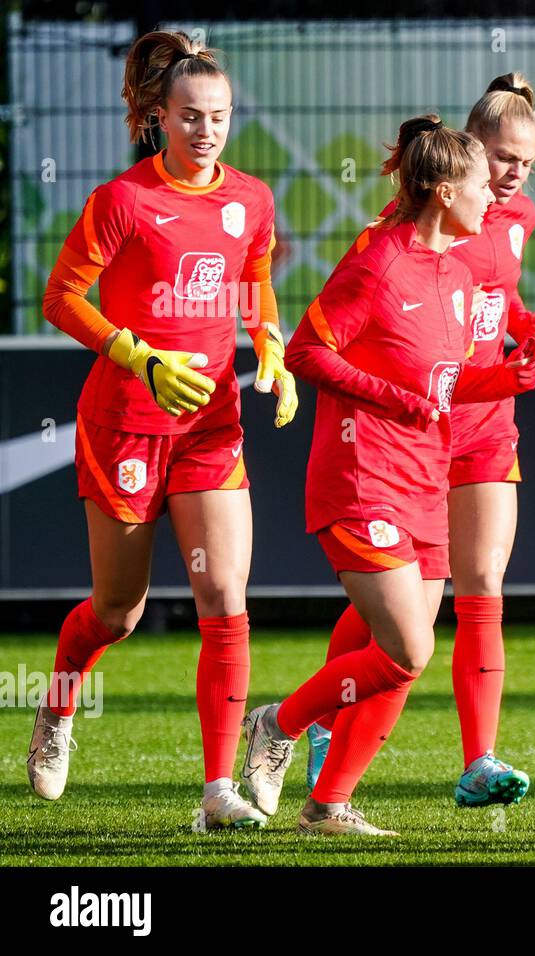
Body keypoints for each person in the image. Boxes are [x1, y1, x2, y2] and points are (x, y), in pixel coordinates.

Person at [238, 116, 535, 835]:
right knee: (410, 647)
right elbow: (309, 351)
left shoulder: (461, 273)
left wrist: (507, 377)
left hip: (423, 482)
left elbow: (442, 381)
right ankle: (279, 723)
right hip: (360, 474)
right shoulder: (378, 259)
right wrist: (388, 397)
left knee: (400, 658)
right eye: (477, 186)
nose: (489, 200)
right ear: (442, 192)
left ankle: (327, 805)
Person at [27, 30, 296, 829]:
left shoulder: (250, 198)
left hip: (210, 427)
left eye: (218, 116)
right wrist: (136, 355)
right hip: (126, 427)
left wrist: (271, 350)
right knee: (120, 610)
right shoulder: (123, 202)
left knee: (224, 596)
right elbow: (62, 297)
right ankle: (58, 709)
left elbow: (253, 280)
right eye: (189, 116)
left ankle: (219, 791)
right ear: (159, 119)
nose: (206, 130)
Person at [302, 74, 535, 809]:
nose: (510, 174)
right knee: (408, 606)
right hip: (417, 425)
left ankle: (479, 759)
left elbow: (492, 295)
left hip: (481, 414)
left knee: (480, 585)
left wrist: (522, 325)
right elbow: (361, 321)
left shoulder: (515, 217)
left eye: (524, 159)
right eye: (499, 158)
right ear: (464, 159)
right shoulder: (407, 230)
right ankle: (319, 718)